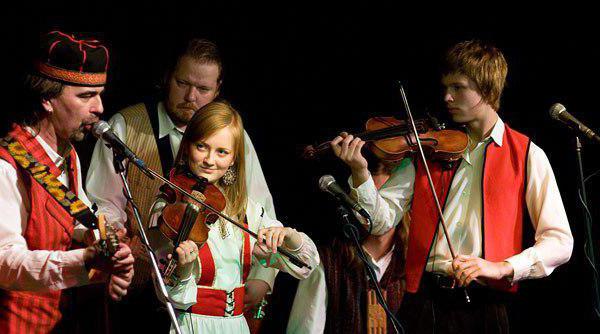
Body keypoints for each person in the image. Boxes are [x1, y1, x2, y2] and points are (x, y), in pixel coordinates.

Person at [331, 40, 573, 334]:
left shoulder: (525, 154)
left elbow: (560, 241)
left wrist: (503, 267)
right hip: (423, 301)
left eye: (458, 87)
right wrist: (360, 173)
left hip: (486, 305)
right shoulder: (429, 149)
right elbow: (381, 221)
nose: (446, 97)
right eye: (445, 87)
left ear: (486, 89)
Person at [86, 38, 278, 331]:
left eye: (203, 89)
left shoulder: (234, 137)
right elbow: (102, 203)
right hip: (138, 292)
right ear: (167, 78)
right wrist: (122, 243)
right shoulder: (124, 126)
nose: (191, 96)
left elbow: (260, 209)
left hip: (208, 306)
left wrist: (263, 276)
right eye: (182, 83)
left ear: (218, 89)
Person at [0, 30, 134, 333]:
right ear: (48, 98)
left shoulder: (67, 153)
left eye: (100, 93)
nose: (99, 107)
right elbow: (4, 262)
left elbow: (75, 214)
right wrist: (84, 260)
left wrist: (103, 243)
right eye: (86, 95)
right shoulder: (6, 166)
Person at [147, 101, 318, 333]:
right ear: (187, 147)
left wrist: (288, 237)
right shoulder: (169, 205)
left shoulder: (246, 208)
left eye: (222, 152)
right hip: (191, 324)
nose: (209, 159)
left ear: (233, 159)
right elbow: (168, 294)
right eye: (201, 146)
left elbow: (306, 266)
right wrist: (183, 270)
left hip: (237, 325)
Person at [287, 160, 408, 334]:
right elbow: (306, 329)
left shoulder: (412, 262)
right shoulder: (327, 259)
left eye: (386, 201)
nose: (378, 210)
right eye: (371, 201)